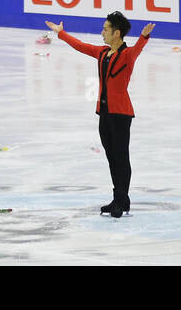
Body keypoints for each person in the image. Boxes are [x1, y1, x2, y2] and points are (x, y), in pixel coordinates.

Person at [46, 13, 154, 218]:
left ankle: (121, 200)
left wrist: (143, 37)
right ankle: (119, 199)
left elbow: (139, 48)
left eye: (106, 29)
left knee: (121, 158)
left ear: (117, 33)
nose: (102, 32)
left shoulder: (128, 55)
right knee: (112, 158)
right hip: (104, 113)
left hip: (121, 114)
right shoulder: (103, 53)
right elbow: (80, 46)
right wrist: (62, 34)